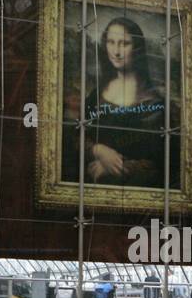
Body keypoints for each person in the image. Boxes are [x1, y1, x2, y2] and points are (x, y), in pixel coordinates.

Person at [64, 15, 176, 189]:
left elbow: (162, 161)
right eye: (110, 42)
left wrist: (115, 167)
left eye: (124, 44)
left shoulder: (155, 102)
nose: (115, 51)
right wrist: (99, 150)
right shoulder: (98, 93)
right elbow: (78, 135)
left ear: (137, 47)